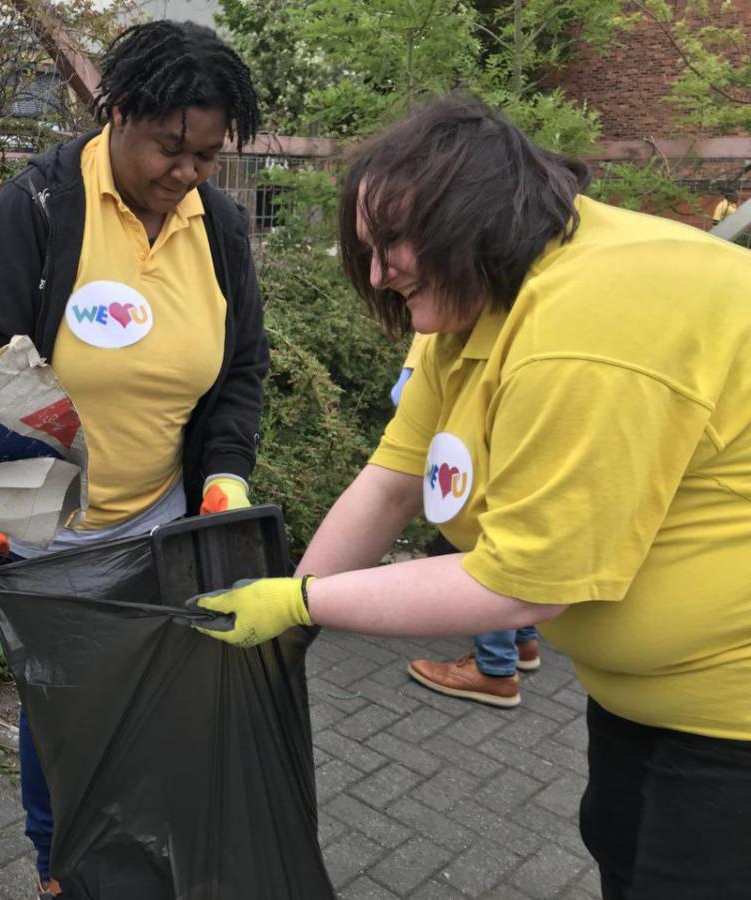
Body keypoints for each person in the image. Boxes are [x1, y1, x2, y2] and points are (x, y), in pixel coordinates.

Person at [191, 94, 751, 896]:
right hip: (648, 696)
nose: (377, 273)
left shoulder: (589, 329)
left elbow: (518, 583)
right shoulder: (473, 303)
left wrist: (308, 604)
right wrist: (290, 625)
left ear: (474, 219)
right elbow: (389, 485)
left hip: (735, 709)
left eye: (389, 246)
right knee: (621, 846)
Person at [0, 20, 267, 896]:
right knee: (65, 723)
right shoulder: (44, 208)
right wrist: (1, 513)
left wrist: (224, 477)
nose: (187, 174)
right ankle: (59, 872)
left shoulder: (222, 231)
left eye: (206, 157)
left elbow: (239, 373)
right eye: (171, 148)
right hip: (50, 532)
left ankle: (145, 861)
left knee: (159, 718)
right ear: (118, 113)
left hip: (164, 525)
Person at [392, 335, 540, 706]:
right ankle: (523, 641)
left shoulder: (443, 321)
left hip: (474, 452)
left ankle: (494, 668)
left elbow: (404, 396)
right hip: (517, 435)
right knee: (517, 531)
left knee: (486, 547)